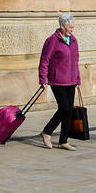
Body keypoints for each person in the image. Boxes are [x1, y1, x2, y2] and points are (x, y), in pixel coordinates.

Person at [38, 12, 81, 150]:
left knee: (68, 111)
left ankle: (63, 141)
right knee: (64, 108)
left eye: (73, 27)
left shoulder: (74, 40)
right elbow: (44, 61)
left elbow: (75, 62)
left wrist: (78, 79)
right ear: (62, 26)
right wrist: (42, 79)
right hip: (57, 81)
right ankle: (47, 132)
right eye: (70, 27)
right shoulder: (52, 40)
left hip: (71, 81)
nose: (72, 30)